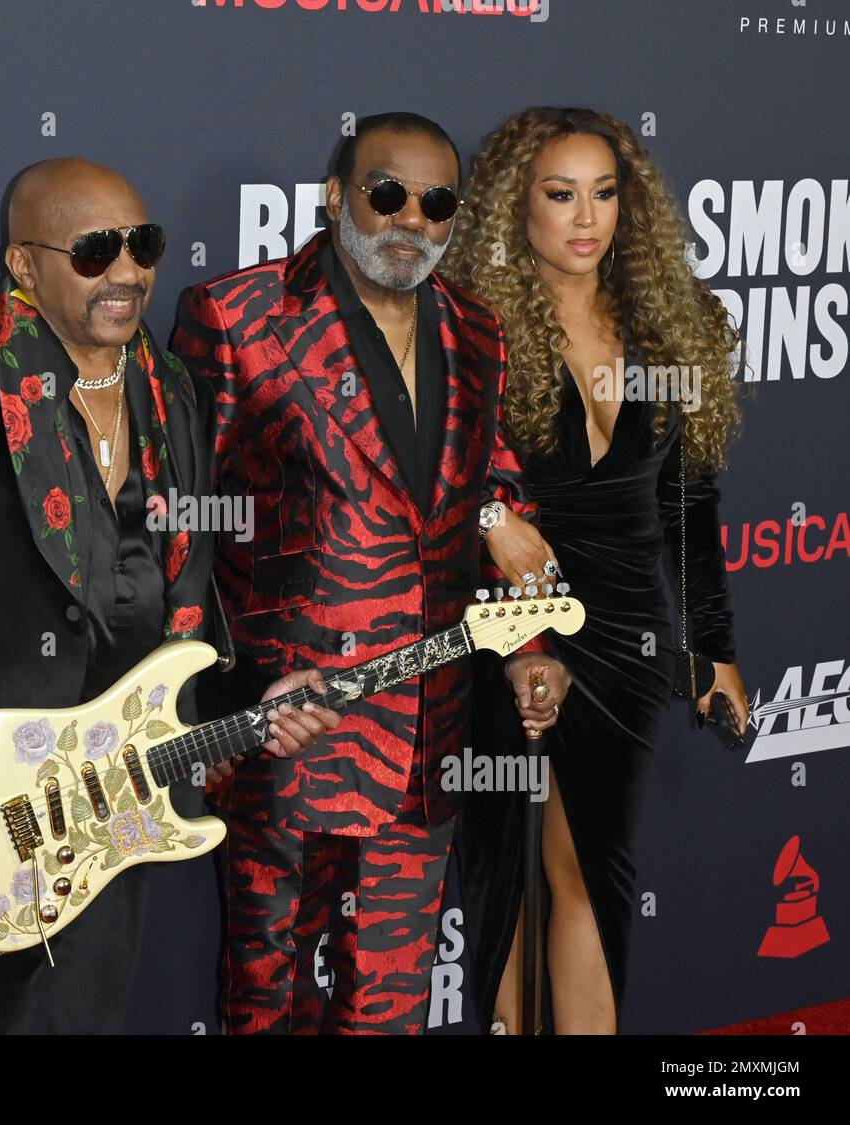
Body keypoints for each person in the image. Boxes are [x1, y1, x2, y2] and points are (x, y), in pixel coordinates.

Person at [0, 157, 339, 1034]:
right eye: (93, 250)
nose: (126, 271)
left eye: (141, 245)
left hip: (117, 784)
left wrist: (242, 698)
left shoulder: (174, 391)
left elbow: (184, 588)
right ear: (23, 264)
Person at [171, 112, 570, 1034]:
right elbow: (182, 529)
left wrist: (528, 642)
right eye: (386, 194)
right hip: (287, 726)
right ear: (335, 195)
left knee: (390, 1001)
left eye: (438, 204)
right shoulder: (238, 316)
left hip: (424, 729)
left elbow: (494, 489)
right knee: (268, 994)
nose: (412, 222)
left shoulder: (478, 329)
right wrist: (226, 700)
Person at [445, 106, 747, 1033]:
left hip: (626, 636)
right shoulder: (473, 326)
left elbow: (688, 507)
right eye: (561, 193)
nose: (588, 218)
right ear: (515, 206)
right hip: (506, 625)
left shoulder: (671, 327)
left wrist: (714, 648)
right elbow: (433, 482)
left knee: (588, 868)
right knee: (507, 867)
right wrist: (492, 521)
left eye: (606, 193)